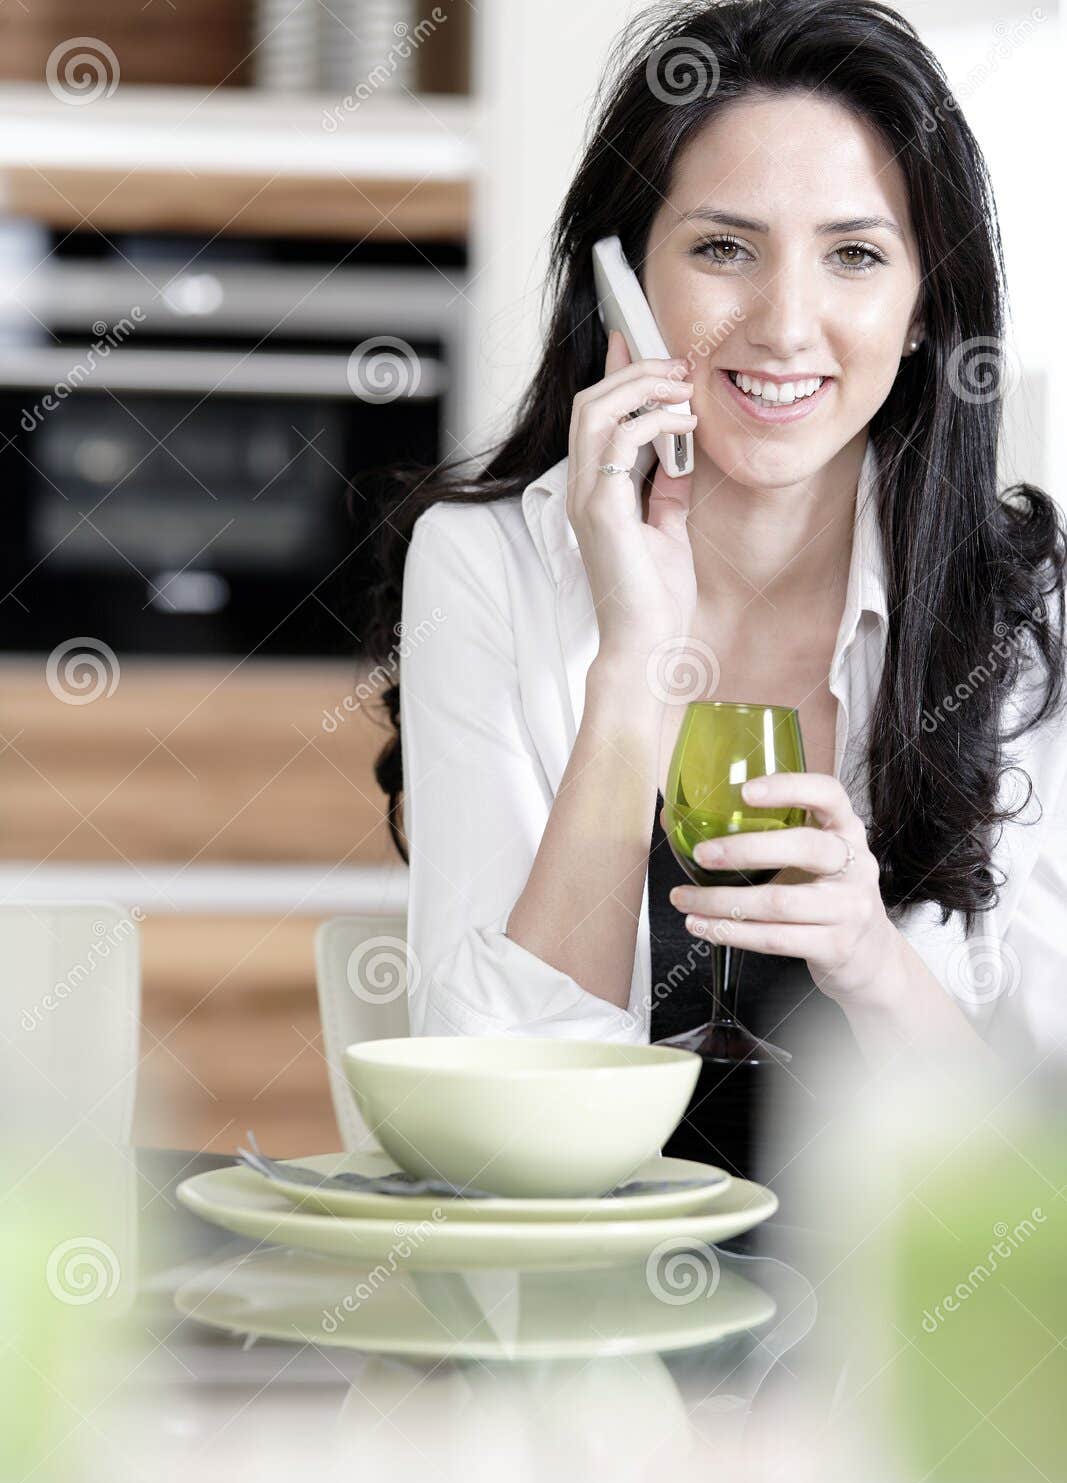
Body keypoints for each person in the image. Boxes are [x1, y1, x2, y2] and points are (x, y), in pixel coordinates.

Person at [351, 0, 1066, 1182]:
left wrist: (865, 959)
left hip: (898, 1314)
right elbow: (493, 1107)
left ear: (923, 300)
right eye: (723, 248)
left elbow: (1028, 1156)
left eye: (854, 254)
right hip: (575, 1304)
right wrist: (633, 663)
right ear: (623, 284)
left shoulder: (1022, 613)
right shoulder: (480, 566)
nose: (784, 326)